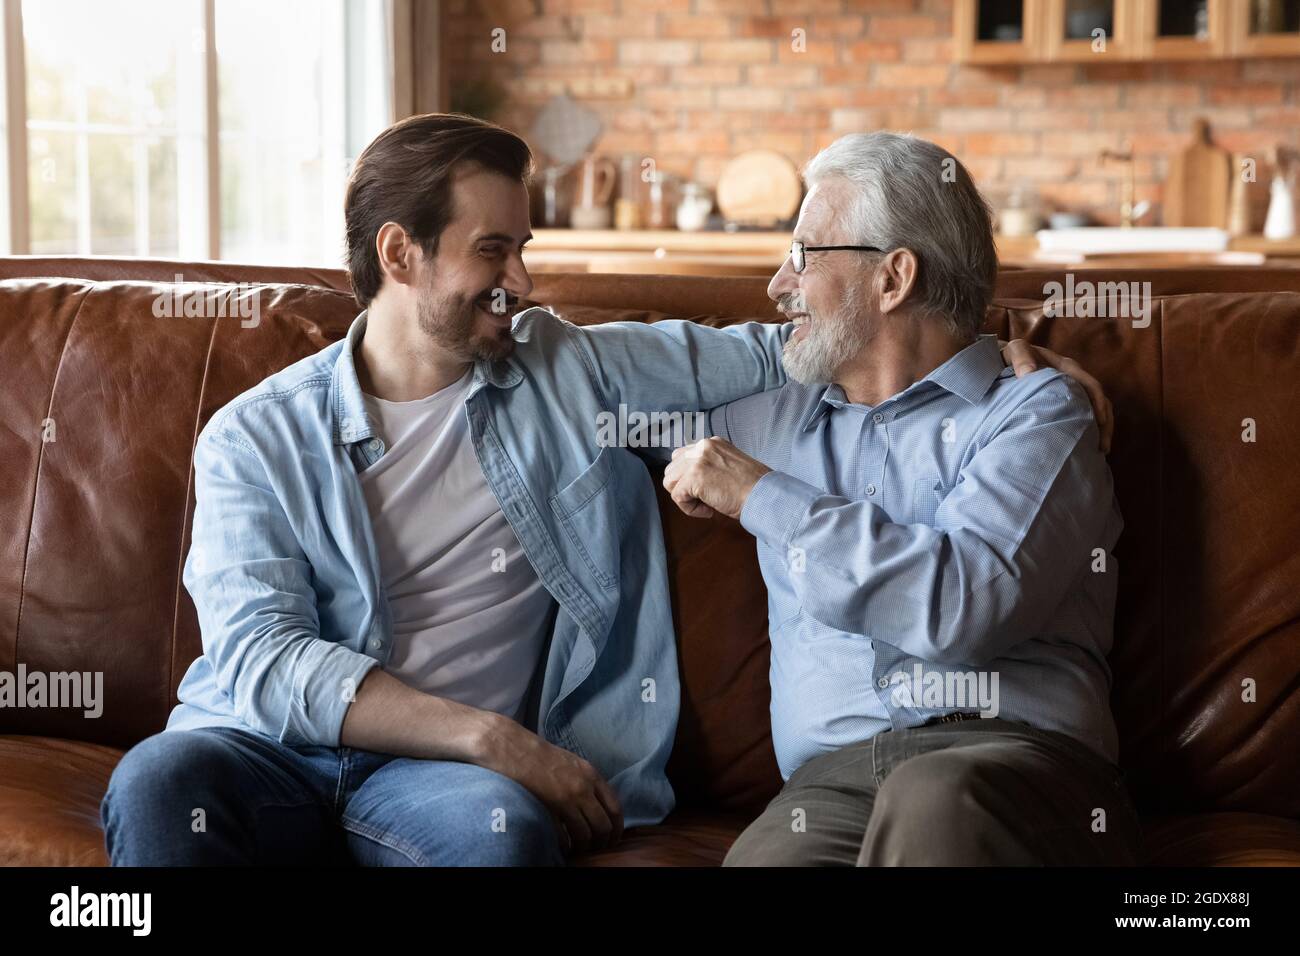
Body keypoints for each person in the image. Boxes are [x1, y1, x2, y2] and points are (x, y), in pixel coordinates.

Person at [101, 115, 1110, 866]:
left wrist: (1002, 332)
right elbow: (267, 661)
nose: (527, 282)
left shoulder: (574, 375)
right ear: (399, 254)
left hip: (441, 790)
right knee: (158, 779)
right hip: (273, 748)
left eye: (524, 247)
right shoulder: (253, 433)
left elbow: (829, 343)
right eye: (493, 250)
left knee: (502, 838)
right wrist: (500, 740)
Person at [663, 132, 1141, 866]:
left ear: (893, 278)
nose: (776, 285)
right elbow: (574, 386)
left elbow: (962, 607)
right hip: (828, 788)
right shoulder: (761, 418)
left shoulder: (1038, 415)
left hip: (1016, 765)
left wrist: (760, 494)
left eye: (803, 254)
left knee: (935, 803)